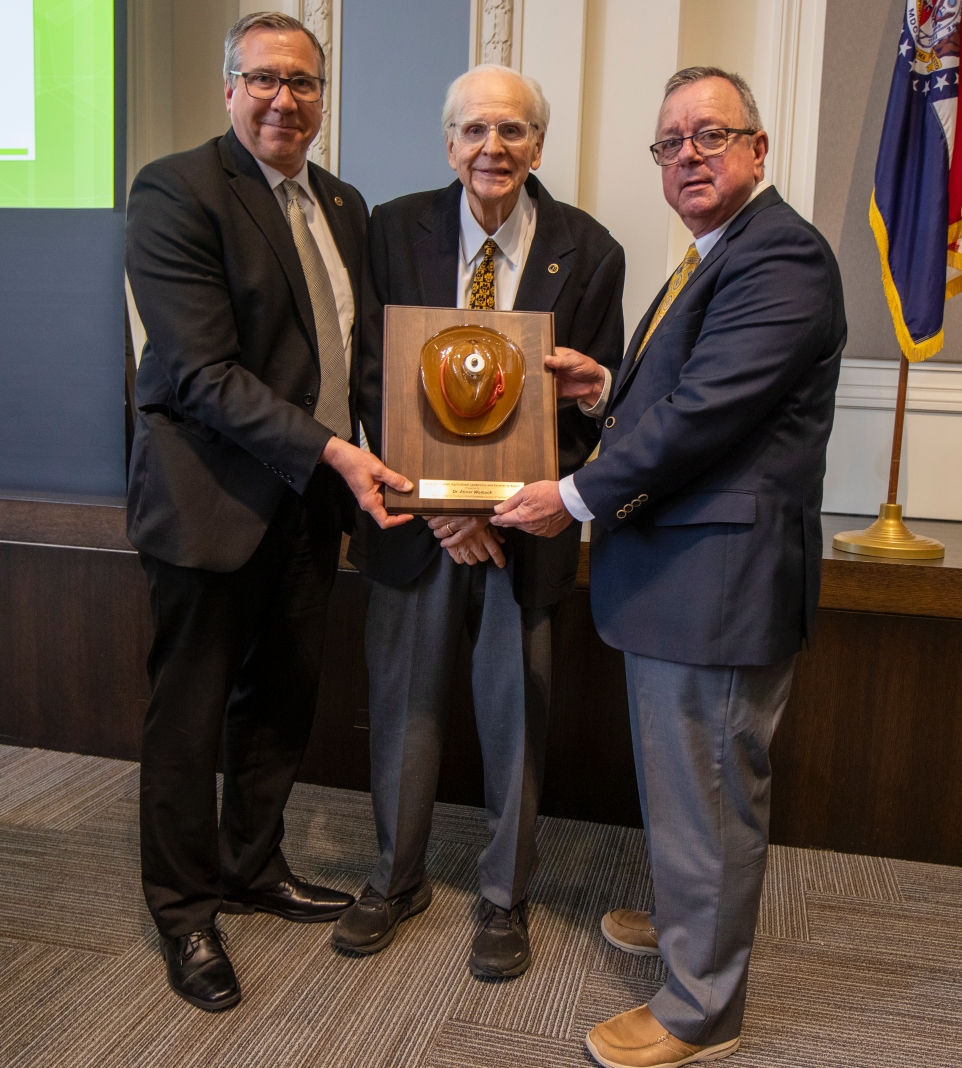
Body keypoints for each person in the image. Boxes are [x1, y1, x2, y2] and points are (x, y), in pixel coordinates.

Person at [492, 67, 845, 1064]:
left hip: (719, 589)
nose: (685, 156)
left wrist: (567, 498)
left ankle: (699, 1007)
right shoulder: (712, 255)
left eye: (707, 136)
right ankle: (697, 919)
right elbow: (685, 399)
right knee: (688, 784)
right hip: (686, 580)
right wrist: (605, 386)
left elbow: (702, 420)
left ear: (757, 149)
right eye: (668, 144)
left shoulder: (781, 258)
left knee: (709, 789)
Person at [125, 12, 411, 1012]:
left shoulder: (343, 201)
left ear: (322, 98)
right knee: (191, 713)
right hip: (211, 497)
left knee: (282, 700)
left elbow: (360, 354)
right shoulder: (177, 188)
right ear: (228, 86)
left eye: (304, 83)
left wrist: (424, 451)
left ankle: (253, 864)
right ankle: (183, 908)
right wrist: (335, 449)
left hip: (309, 501)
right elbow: (202, 373)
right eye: (264, 80)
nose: (285, 99)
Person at [335, 64, 625, 978]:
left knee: (517, 719)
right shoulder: (393, 229)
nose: (491, 149)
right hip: (417, 527)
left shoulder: (591, 247)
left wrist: (502, 504)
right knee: (404, 710)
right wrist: (444, 507)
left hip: (526, 530)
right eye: (473, 131)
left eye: (511, 132)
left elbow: (590, 402)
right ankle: (394, 876)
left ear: (538, 144)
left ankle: (505, 895)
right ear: (448, 141)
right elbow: (373, 379)